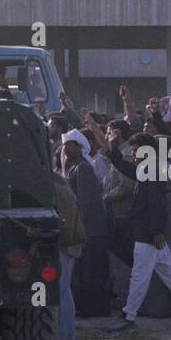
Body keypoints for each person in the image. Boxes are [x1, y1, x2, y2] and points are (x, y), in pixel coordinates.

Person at [108, 134, 171, 330]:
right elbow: (126, 168)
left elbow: (158, 204)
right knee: (169, 271)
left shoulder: (153, 171)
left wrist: (157, 232)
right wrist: (112, 151)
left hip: (148, 234)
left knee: (139, 276)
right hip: (151, 233)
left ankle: (129, 315)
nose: (133, 155)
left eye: (135, 151)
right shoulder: (147, 169)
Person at [60, 130, 110, 317]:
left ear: (80, 147)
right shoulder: (75, 167)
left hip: (91, 229)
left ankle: (94, 309)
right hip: (82, 228)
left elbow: (85, 202)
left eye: (70, 145)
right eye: (65, 145)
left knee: (92, 272)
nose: (66, 149)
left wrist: (82, 230)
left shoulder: (83, 168)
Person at [52, 171, 84, 340]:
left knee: (61, 290)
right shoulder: (59, 182)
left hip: (65, 243)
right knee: (64, 290)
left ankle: (64, 338)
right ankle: (65, 336)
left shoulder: (52, 185)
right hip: (69, 243)